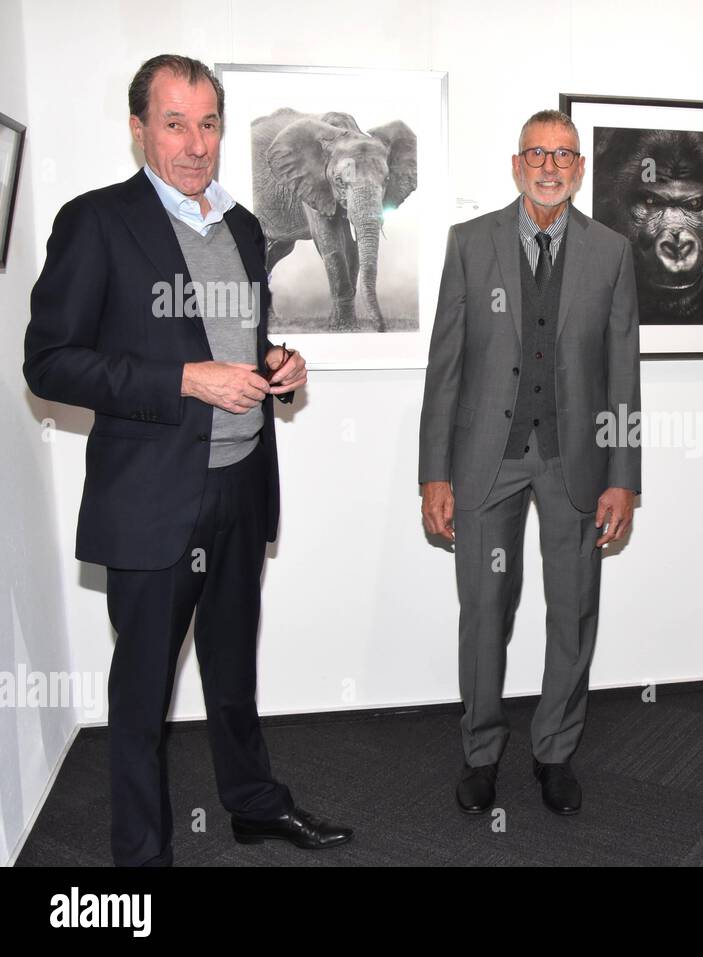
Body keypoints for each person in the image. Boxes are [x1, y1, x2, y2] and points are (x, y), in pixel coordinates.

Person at [23, 54, 351, 865]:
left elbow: (233, 341)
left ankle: (252, 804)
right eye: (175, 123)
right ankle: (142, 860)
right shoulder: (95, 221)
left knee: (234, 668)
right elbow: (50, 361)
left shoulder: (241, 226)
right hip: (152, 498)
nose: (196, 143)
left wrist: (278, 364)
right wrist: (181, 381)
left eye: (208, 123)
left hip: (242, 485)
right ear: (139, 129)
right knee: (142, 696)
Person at [418, 110, 641, 816]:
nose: (550, 166)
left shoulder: (611, 252)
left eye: (564, 155)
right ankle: (481, 750)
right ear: (516, 165)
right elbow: (444, 369)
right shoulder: (469, 243)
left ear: (580, 171)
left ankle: (555, 751)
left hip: (576, 463)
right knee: (485, 610)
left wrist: (622, 477)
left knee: (573, 611)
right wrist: (435, 473)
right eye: (537, 154)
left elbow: (623, 373)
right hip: (487, 462)